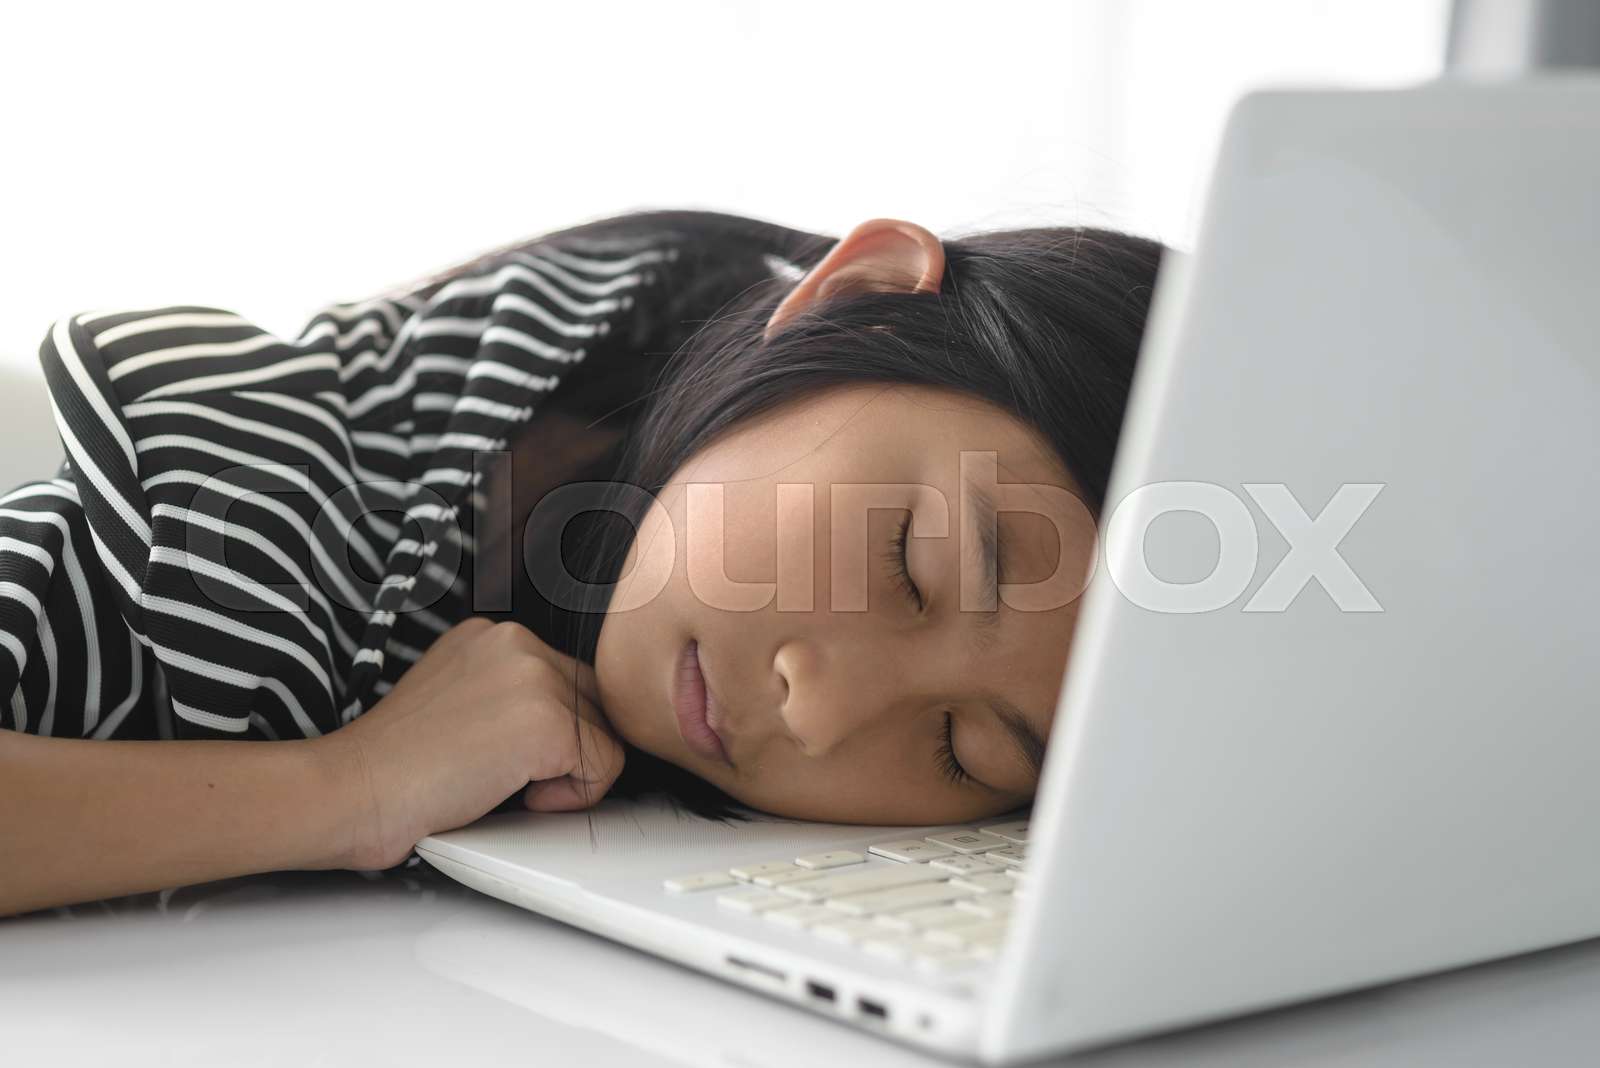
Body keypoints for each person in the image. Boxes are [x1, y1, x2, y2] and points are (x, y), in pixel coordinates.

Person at [0, 209, 1164, 917]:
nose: (820, 712)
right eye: (909, 563)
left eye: (960, 750)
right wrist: (347, 787)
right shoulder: (264, 503)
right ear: (851, 301)